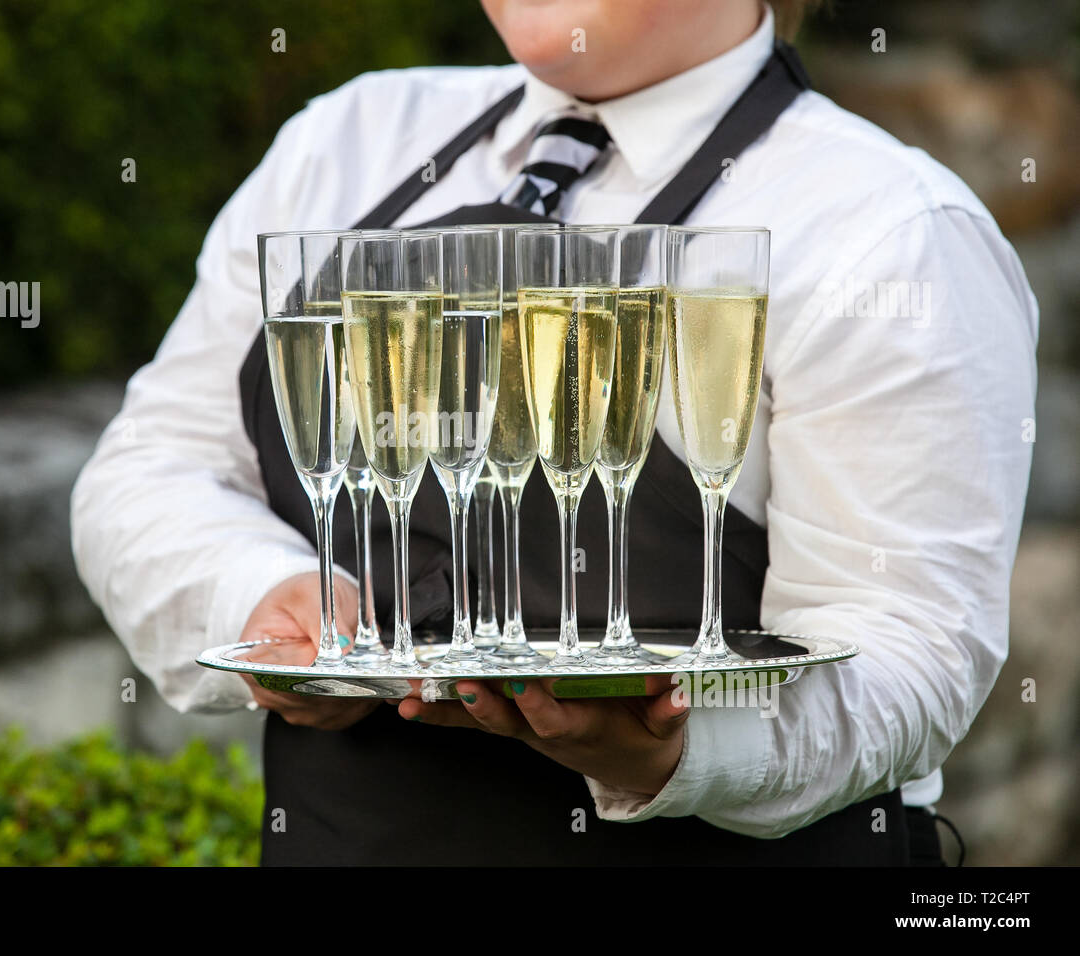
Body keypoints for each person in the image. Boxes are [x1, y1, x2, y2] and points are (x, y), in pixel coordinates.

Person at [71, 0, 1037, 865]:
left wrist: (680, 750)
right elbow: (153, 467)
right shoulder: (345, 140)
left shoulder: (887, 229)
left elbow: (911, 648)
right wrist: (265, 596)